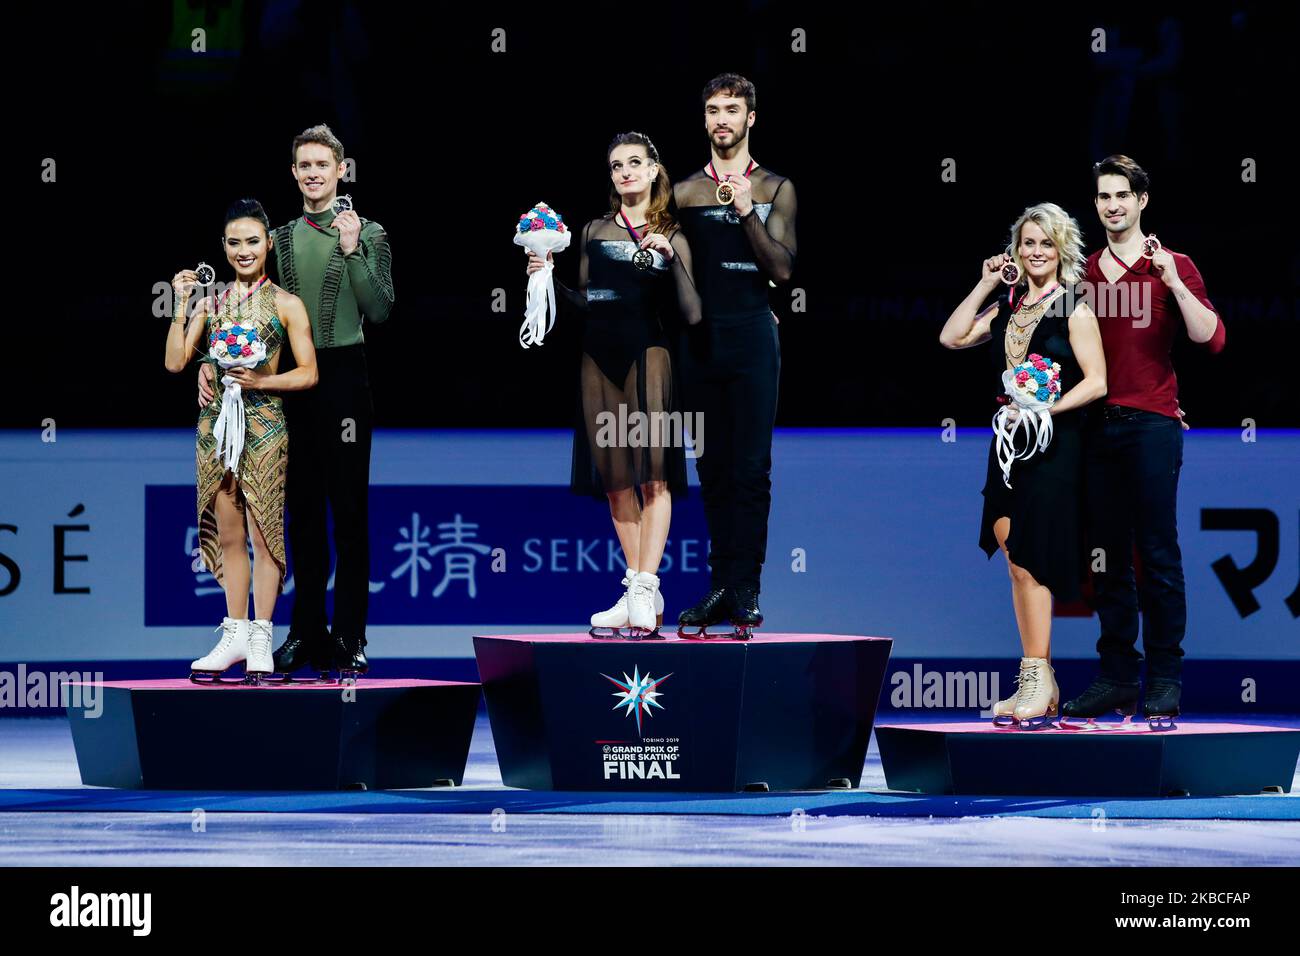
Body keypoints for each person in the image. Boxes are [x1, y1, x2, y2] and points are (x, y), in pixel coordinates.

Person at [198, 124, 394, 680]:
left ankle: (350, 636)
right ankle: (305, 631)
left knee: (349, 513)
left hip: (344, 380)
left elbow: (379, 311)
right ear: (294, 173)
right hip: (286, 379)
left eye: (322, 165)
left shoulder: (369, 232)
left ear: (341, 170)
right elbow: (247, 310)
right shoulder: (277, 238)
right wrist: (213, 362)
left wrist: (354, 252)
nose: (312, 173)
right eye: (303, 165)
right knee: (300, 513)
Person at [1062, 155, 1225, 729]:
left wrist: (1176, 283)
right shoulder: (1081, 274)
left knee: (1157, 552)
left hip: (1154, 425)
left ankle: (1164, 680)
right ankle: (1115, 678)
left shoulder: (1172, 265)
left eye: (1122, 196)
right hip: (1095, 430)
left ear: (1142, 201)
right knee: (1105, 560)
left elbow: (1212, 338)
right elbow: (1053, 345)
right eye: (1104, 196)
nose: (1112, 205)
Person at [940, 203, 1107, 727]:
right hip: (1008, 445)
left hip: (1054, 443)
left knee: (1033, 557)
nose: (1035, 253)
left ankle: (1037, 674)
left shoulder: (1075, 304)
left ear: (1061, 250)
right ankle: (1040, 676)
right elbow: (951, 336)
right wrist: (985, 283)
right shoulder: (1009, 307)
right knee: (1015, 558)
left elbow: (1097, 381)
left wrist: (1044, 410)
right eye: (1027, 243)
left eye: (1045, 244)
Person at [528, 132, 701, 639]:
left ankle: (646, 584)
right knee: (617, 483)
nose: (624, 172)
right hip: (597, 361)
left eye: (633, 164)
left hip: (649, 356)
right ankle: (637, 588)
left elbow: (692, 313)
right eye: (615, 166)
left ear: (653, 171)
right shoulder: (593, 230)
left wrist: (670, 259)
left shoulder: (672, 231)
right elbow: (588, 304)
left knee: (654, 477)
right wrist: (548, 279)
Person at [167, 199, 318, 682]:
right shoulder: (211, 304)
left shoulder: (286, 304)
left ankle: (261, 637)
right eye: (234, 242)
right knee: (229, 533)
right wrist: (180, 306)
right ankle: (233, 634)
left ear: (268, 244)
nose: (244, 250)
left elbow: (309, 374)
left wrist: (260, 383)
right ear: (225, 248)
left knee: (263, 533)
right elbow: (175, 363)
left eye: (253, 241)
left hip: (265, 424)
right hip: (215, 426)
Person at [672, 72, 796, 639]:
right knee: (712, 469)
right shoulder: (682, 192)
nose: (723, 119)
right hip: (701, 340)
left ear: (752, 118)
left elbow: (783, 270)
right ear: (704, 120)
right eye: (714, 110)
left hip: (752, 337)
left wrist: (748, 209)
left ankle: (747, 587)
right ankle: (720, 584)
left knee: (751, 469)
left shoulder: (775, 187)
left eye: (733, 110)